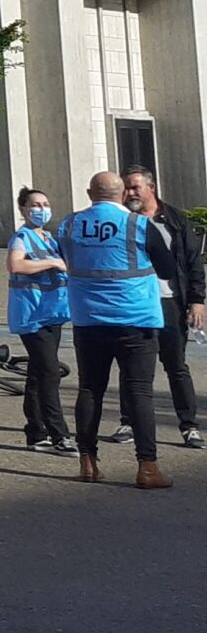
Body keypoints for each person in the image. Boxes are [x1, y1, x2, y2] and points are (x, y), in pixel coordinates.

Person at [58, 171, 169, 487]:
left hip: (88, 318)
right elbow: (167, 268)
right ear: (122, 194)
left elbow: (66, 258)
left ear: (88, 193)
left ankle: (87, 462)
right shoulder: (138, 224)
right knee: (138, 390)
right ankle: (147, 467)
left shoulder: (68, 225)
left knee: (90, 388)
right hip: (135, 317)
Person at [119, 168, 203, 450]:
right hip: (134, 305)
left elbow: (193, 262)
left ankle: (189, 426)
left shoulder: (175, 220)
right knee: (131, 366)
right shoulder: (122, 220)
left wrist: (197, 300)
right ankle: (129, 421)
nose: (129, 193)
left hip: (169, 302)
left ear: (150, 187)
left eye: (134, 187)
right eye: (126, 188)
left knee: (176, 366)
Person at [7, 187, 70, 453]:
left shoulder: (49, 238)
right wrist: (52, 264)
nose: (41, 209)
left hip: (52, 313)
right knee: (49, 373)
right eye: (35, 204)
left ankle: (35, 432)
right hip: (32, 316)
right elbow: (15, 265)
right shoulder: (21, 238)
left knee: (37, 374)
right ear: (23, 209)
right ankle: (60, 435)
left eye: (45, 203)